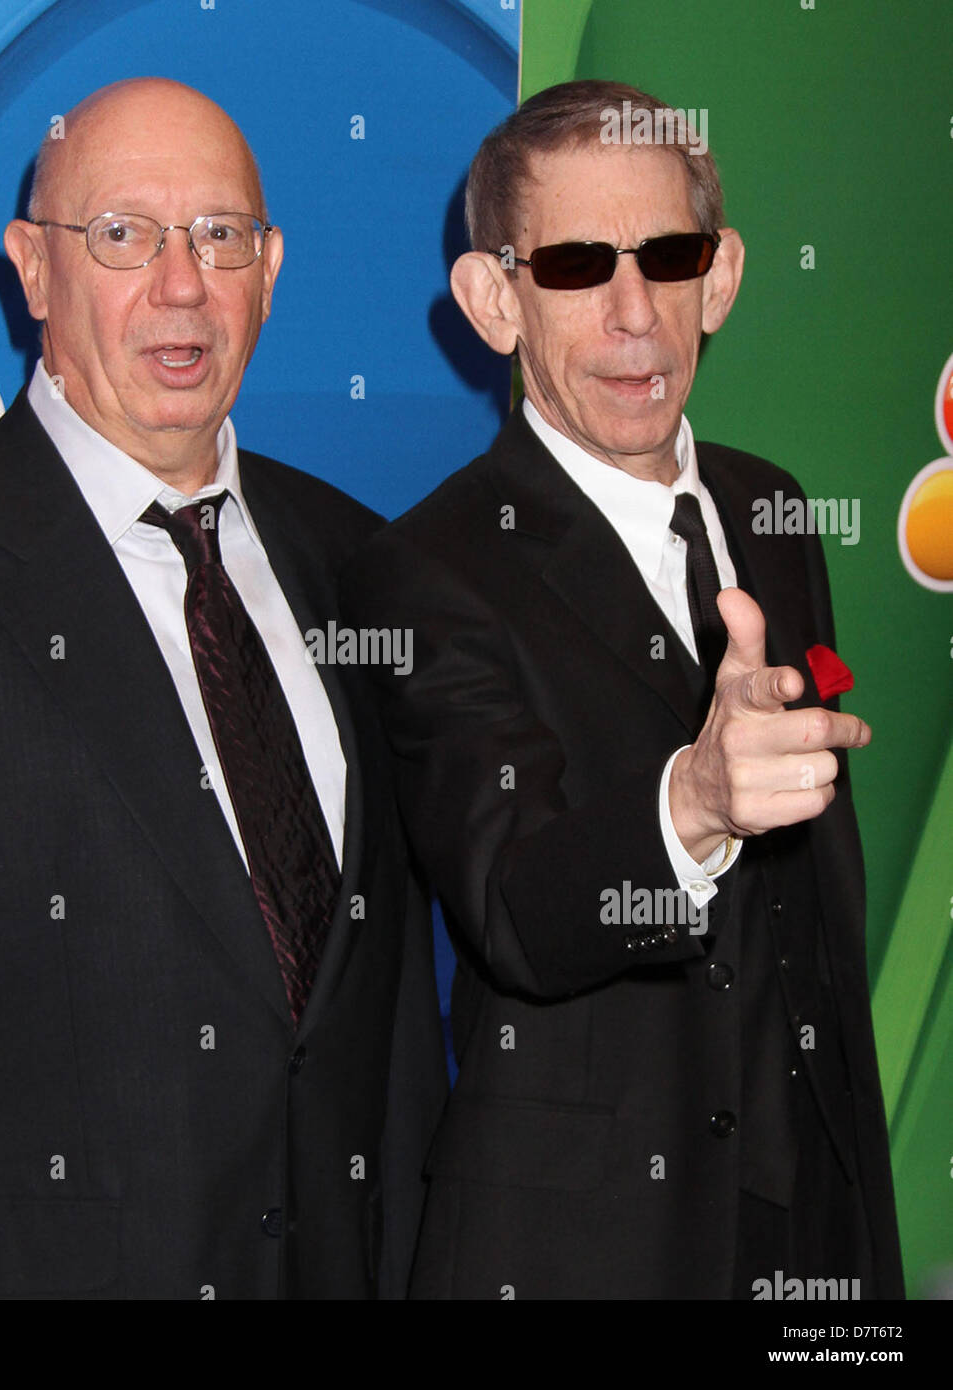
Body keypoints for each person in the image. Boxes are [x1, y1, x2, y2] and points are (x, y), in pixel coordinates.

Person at [0, 77, 445, 1300]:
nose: (181, 285)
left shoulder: (361, 563)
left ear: (271, 267)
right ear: (33, 269)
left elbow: (385, 1043)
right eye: (123, 235)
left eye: (220, 236)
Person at [342, 79, 904, 1299]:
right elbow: (515, 904)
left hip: (813, 1234)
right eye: (579, 266)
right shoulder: (429, 568)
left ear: (726, 274)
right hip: (584, 1254)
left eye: (668, 256)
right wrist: (694, 800)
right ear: (495, 300)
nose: (634, 314)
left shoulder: (773, 512)